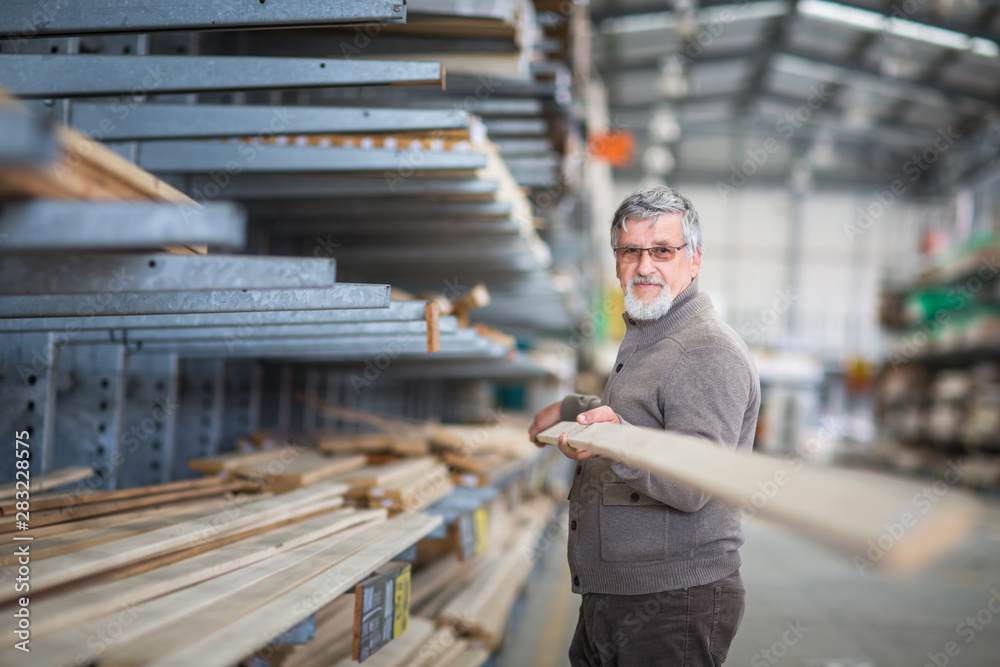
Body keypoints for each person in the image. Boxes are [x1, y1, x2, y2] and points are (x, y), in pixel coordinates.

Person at [529, 185, 760, 666]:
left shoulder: (704, 350)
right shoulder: (652, 333)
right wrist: (577, 407)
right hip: (619, 593)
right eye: (630, 251)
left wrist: (612, 441)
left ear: (694, 260)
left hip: (671, 603)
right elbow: (645, 415)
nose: (644, 266)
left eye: (662, 251)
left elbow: (695, 478)